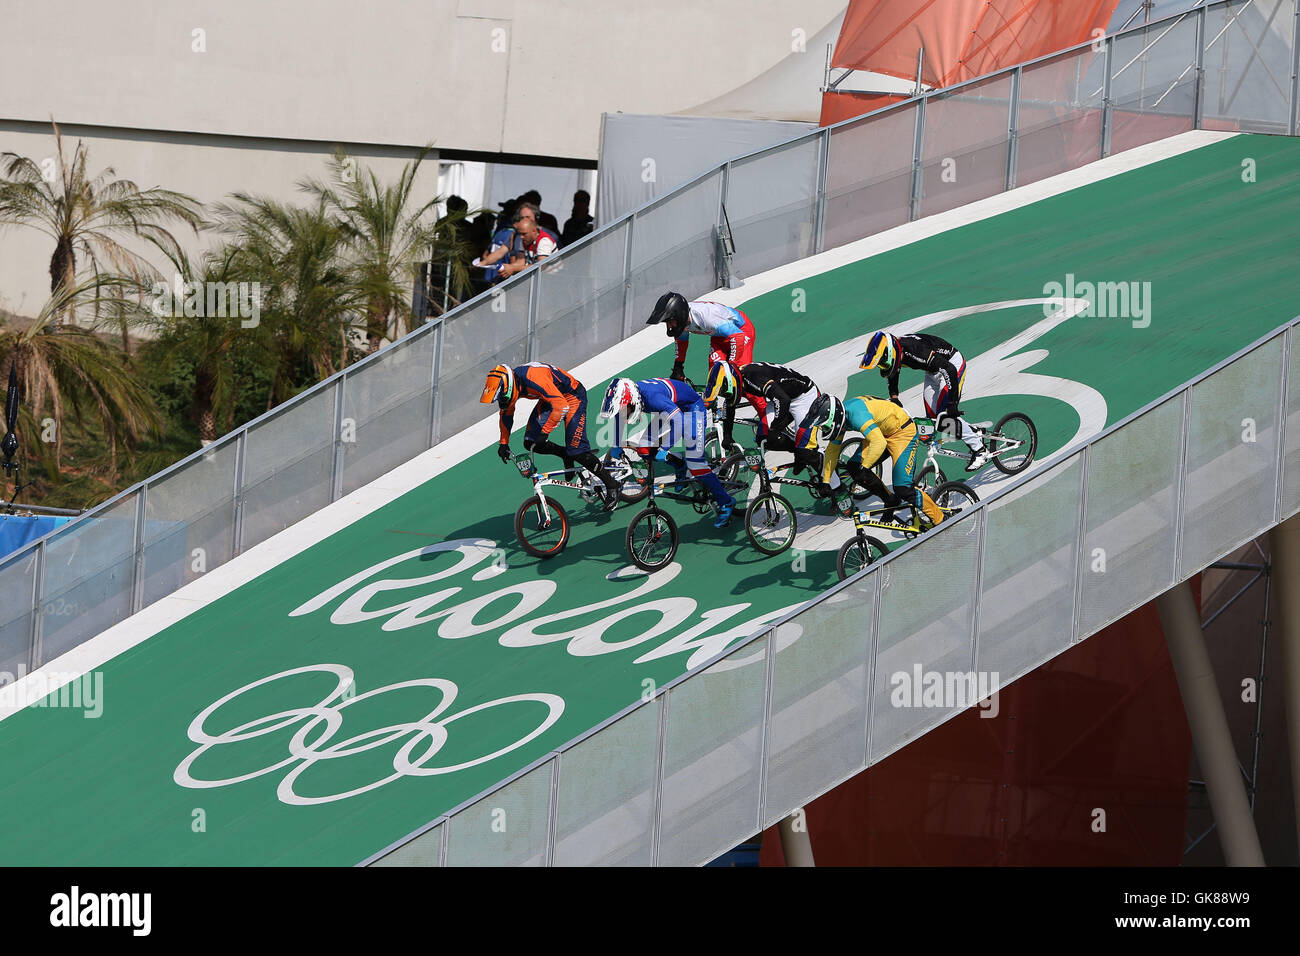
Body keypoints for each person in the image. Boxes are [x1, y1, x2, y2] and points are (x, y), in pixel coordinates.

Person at [600, 376, 735, 528]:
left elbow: (680, 422)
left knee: (696, 463)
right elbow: (619, 417)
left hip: (691, 408)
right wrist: (617, 444)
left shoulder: (652, 398)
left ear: (634, 401)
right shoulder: (633, 394)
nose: (626, 413)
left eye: (627, 409)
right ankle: (679, 465)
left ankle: (726, 501)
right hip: (669, 408)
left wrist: (665, 448)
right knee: (644, 449)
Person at [480, 362, 620, 505]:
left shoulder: (532, 379)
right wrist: (504, 443)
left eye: (502, 397)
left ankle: (611, 484)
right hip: (551, 398)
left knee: (577, 451)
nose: (502, 401)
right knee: (530, 441)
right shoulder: (512, 385)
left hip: (572, 397)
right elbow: (506, 414)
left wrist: (545, 433)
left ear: (509, 386)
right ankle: (565, 454)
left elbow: (562, 406)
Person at [860, 330, 989, 471]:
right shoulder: (897, 350)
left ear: (891, 352)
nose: (883, 366)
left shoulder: (915, 351)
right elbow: (894, 371)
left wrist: (952, 404)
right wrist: (894, 397)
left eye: (883, 363)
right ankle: (973, 432)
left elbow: (949, 370)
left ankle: (981, 451)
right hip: (933, 370)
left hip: (951, 365)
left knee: (945, 416)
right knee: (936, 421)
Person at [820, 393, 945, 527]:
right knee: (854, 467)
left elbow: (879, 443)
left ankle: (941, 520)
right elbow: (832, 451)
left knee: (903, 488)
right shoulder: (841, 415)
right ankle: (890, 500)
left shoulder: (857, 416)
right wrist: (826, 481)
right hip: (880, 432)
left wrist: (865, 466)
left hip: (902, 434)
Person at [498, 204, 558, 279]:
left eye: (524, 234)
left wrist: (513, 269)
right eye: (520, 234)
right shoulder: (524, 239)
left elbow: (541, 266)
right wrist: (508, 267)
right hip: (541, 278)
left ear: (534, 231)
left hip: (553, 278)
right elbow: (520, 262)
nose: (521, 237)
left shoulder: (544, 241)